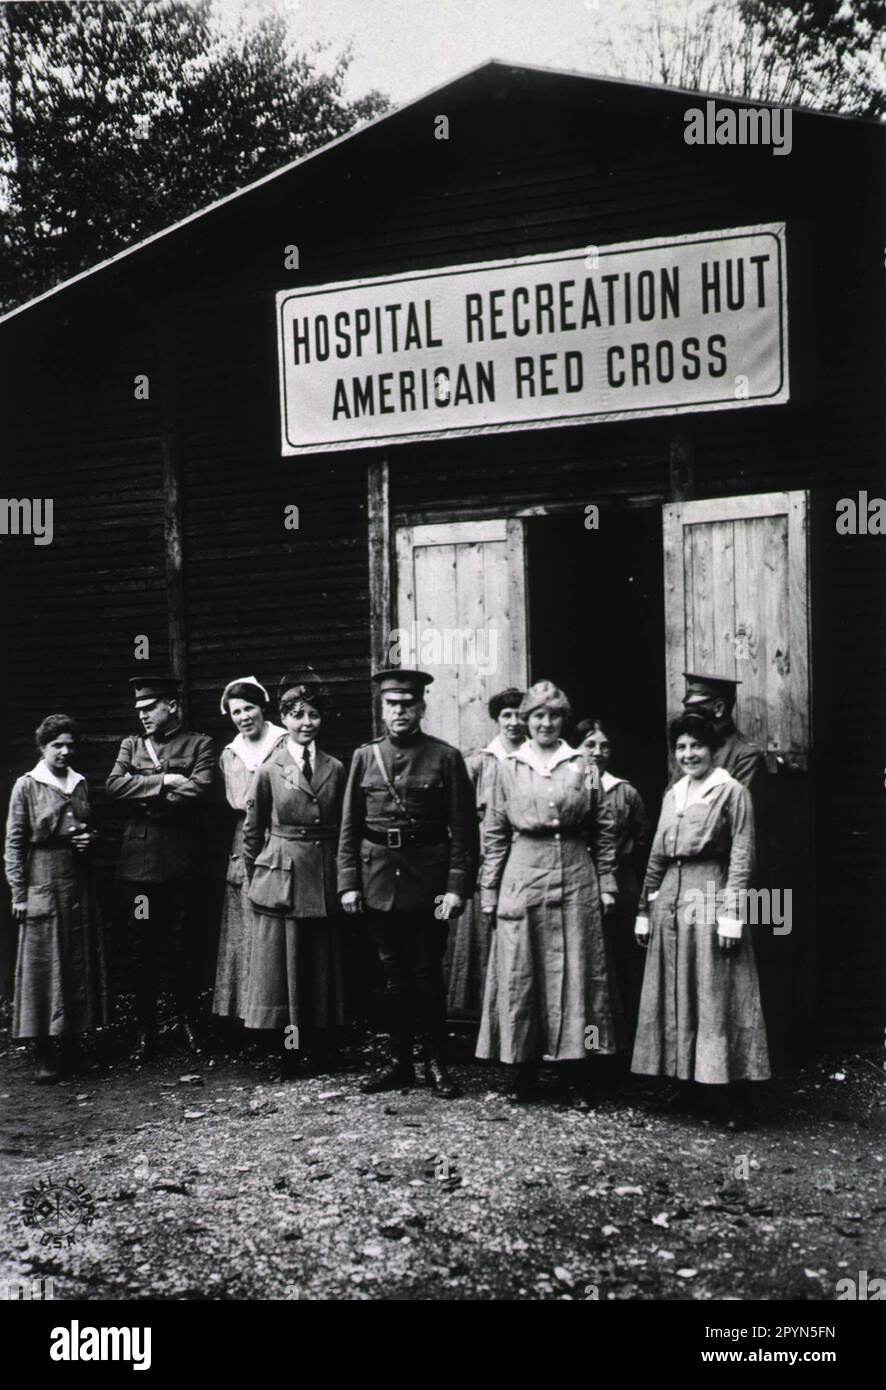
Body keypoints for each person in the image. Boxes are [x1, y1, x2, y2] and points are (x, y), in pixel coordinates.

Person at [477, 681, 622, 1101]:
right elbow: (495, 833)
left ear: (563, 721)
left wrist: (607, 880)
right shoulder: (508, 766)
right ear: (526, 720)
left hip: (576, 872)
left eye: (553, 716)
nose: (545, 723)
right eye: (537, 715)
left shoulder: (583, 764)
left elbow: (604, 827)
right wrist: (490, 890)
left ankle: (575, 1071)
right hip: (523, 875)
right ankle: (522, 1070)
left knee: (580, 971)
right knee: (521, 968)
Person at [338, 668, 478, 1098]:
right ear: (382, 709)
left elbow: (464, 830)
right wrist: (348, 882)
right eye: (391, 705)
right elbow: (349, 826)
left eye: (407, 705)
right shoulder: (365, 756)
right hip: (377, 878)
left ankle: (436, 1062)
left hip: (429, 881)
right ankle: (399, 1062)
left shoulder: (445, 757)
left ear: (421, 708)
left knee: (426, 974)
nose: (399, 712)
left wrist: (457, 886)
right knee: (392, 974)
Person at [631, 712, 770, 1129]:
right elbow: (657, 852)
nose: (688, 754)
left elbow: (742, 856)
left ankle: (735, 1096)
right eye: (682, 747)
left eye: (696, 746)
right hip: (671, 898)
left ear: (712, 750)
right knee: (676, 988)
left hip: (710, 891)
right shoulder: (673, 793)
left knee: (717, 992)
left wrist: (732, 915)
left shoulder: (731, 792)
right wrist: (643, 908)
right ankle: (686, 1085)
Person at [241, 673, 348, 1072]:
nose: (306, 723)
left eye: (314, 715)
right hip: (283, 875)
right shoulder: (270, 768)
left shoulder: (336, 768)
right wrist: (257, 879)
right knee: (284, 965)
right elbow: (252, 832)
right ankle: (288, 1049)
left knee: (319, 961)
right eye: (298, 715)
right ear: (284, 718)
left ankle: (321, 1047)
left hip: (322, 873)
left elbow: (345, 823)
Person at [105, 676, 215, 1061]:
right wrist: (165, 780)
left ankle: (188, 1023)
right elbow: (114, 786)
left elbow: (201, 788)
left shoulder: (200, 743)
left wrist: (144, 792)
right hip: (140, 870)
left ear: (171, 705)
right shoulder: (131, 745)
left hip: (184, 863)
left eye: (149, 708)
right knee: (142, 950)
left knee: (186, 945)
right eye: (139, 710)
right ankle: (145, 1030)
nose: (143, 716)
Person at [4, 715, 108, 1082]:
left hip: (76, 881)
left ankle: (75, 1048)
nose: (64, 752)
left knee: (76, 962)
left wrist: (88, 839)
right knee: (44, 966)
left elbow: (87, 827)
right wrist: (19, 894)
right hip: (42, 881)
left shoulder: (79, 784)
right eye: (56, 746)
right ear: (43, 747)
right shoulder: (28, 785)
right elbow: (14, 843)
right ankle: (45, 1053)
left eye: (69, 745)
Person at [212, 676, 285, 1027]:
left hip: (281, 837)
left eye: (249, 708)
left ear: (263, 709)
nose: (243, 717)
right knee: (246, 929)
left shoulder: (284, 743)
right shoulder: (230, 754)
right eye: (236, 711)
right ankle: (249, 1018)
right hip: (244, 842)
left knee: (278, 928)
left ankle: (284, 1015)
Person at [576, 717, 650, 1040]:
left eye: (604, 746)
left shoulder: (626, 792)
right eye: (590, 745)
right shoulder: (571, 786)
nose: (598, 752)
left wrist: (622, 853)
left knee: (624, 958)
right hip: (580, 878)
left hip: (621, 881)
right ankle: (590, 1039)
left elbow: (643, 835)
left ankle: (627, 1040)